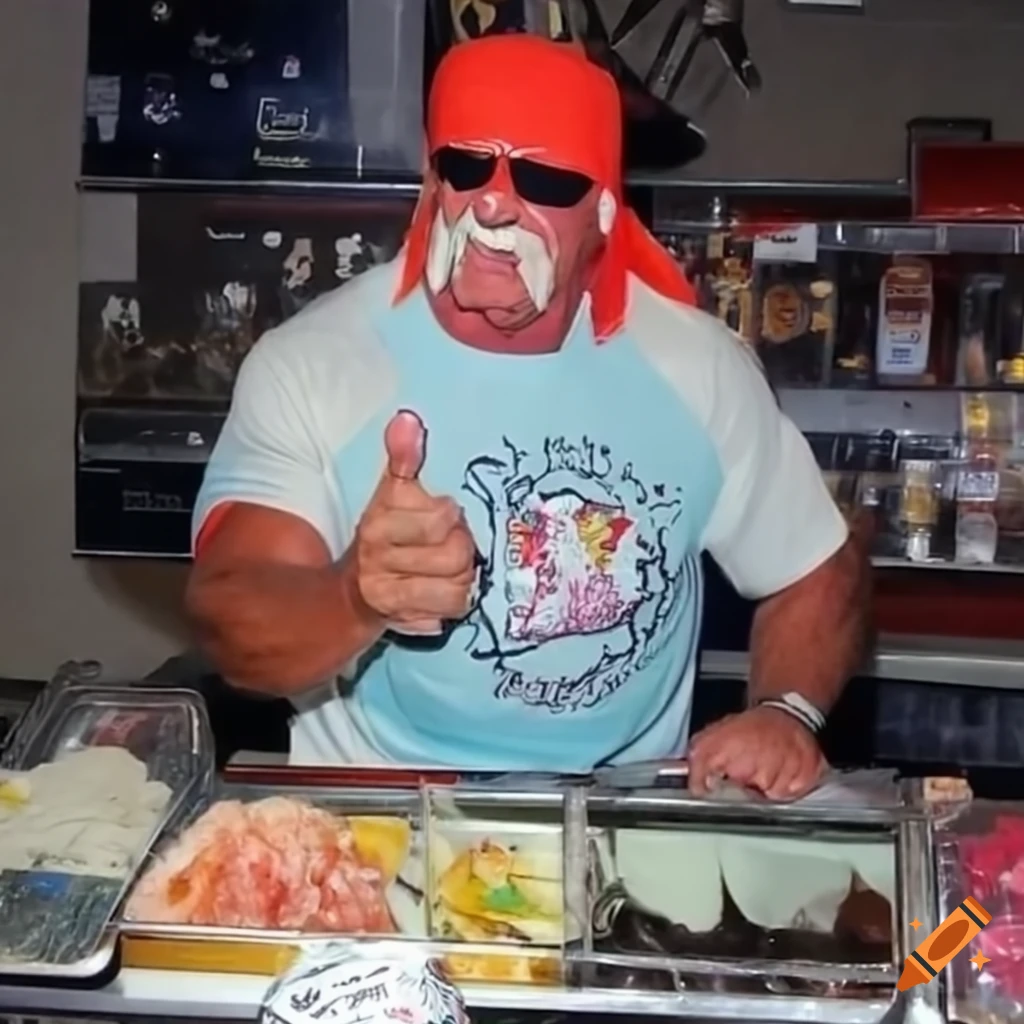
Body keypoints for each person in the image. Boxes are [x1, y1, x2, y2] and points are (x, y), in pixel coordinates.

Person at [186, 34, 869, 798]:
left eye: (543, 178)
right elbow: (231, 615)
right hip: (377, 826)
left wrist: (785, 711)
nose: (495, 204)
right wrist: (355, 596)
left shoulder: (697, 368)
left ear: (605, 212)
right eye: (468, 165)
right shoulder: (313, 362)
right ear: (429, 181)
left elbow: (815, 566)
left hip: (621, 833)